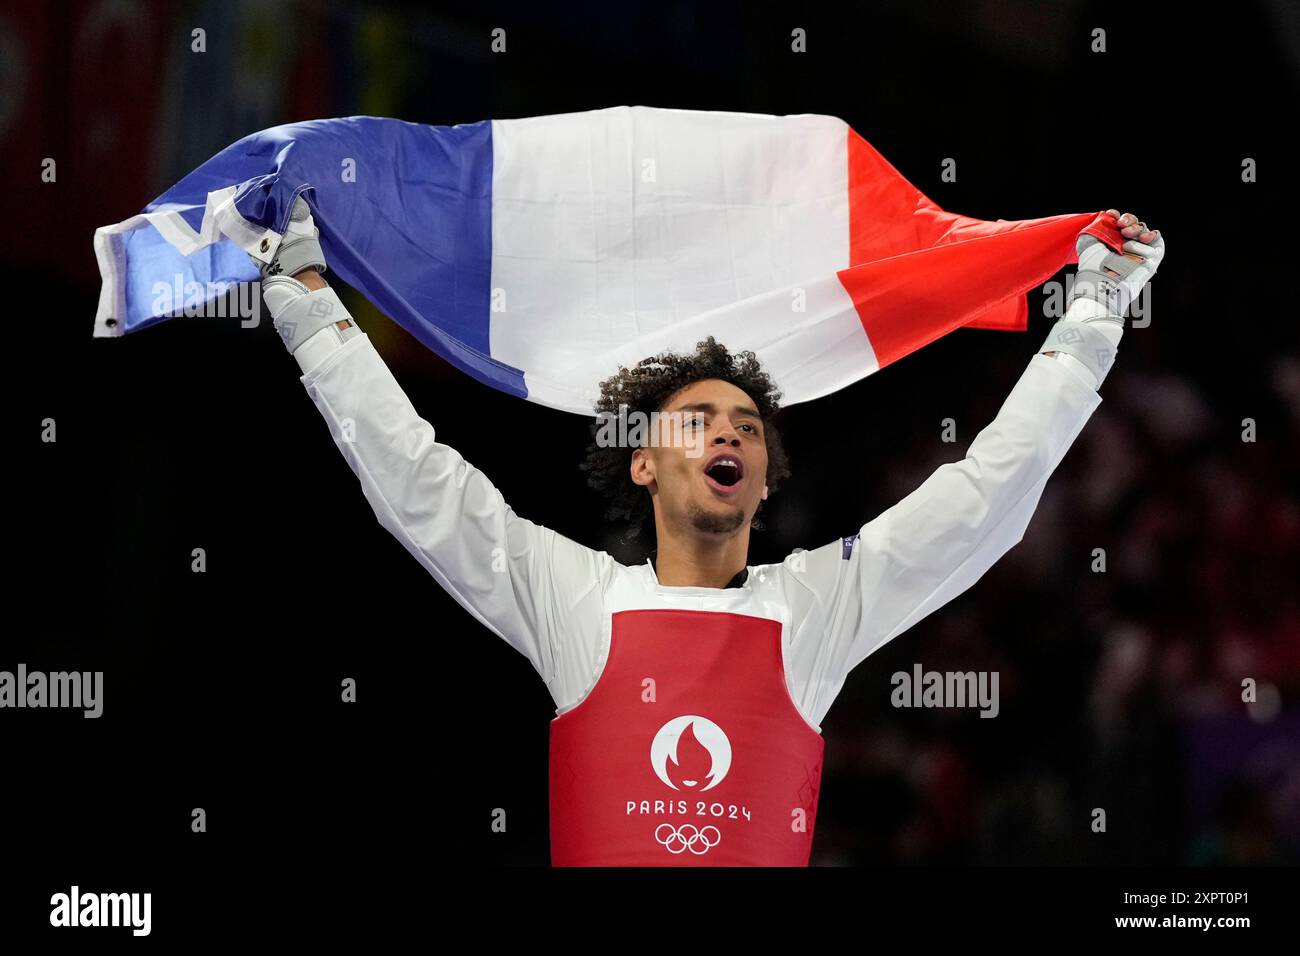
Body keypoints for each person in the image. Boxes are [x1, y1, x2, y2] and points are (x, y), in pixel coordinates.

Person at [252, 197, 1164, 865]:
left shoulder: (814, 608)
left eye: (746, 426)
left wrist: (1094, 314)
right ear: (641, 461)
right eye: (698, 420)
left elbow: (986, 496)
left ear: (763, 482)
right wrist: (305, 306)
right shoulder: (575, 596)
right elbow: (418, 483)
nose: (727, 431)